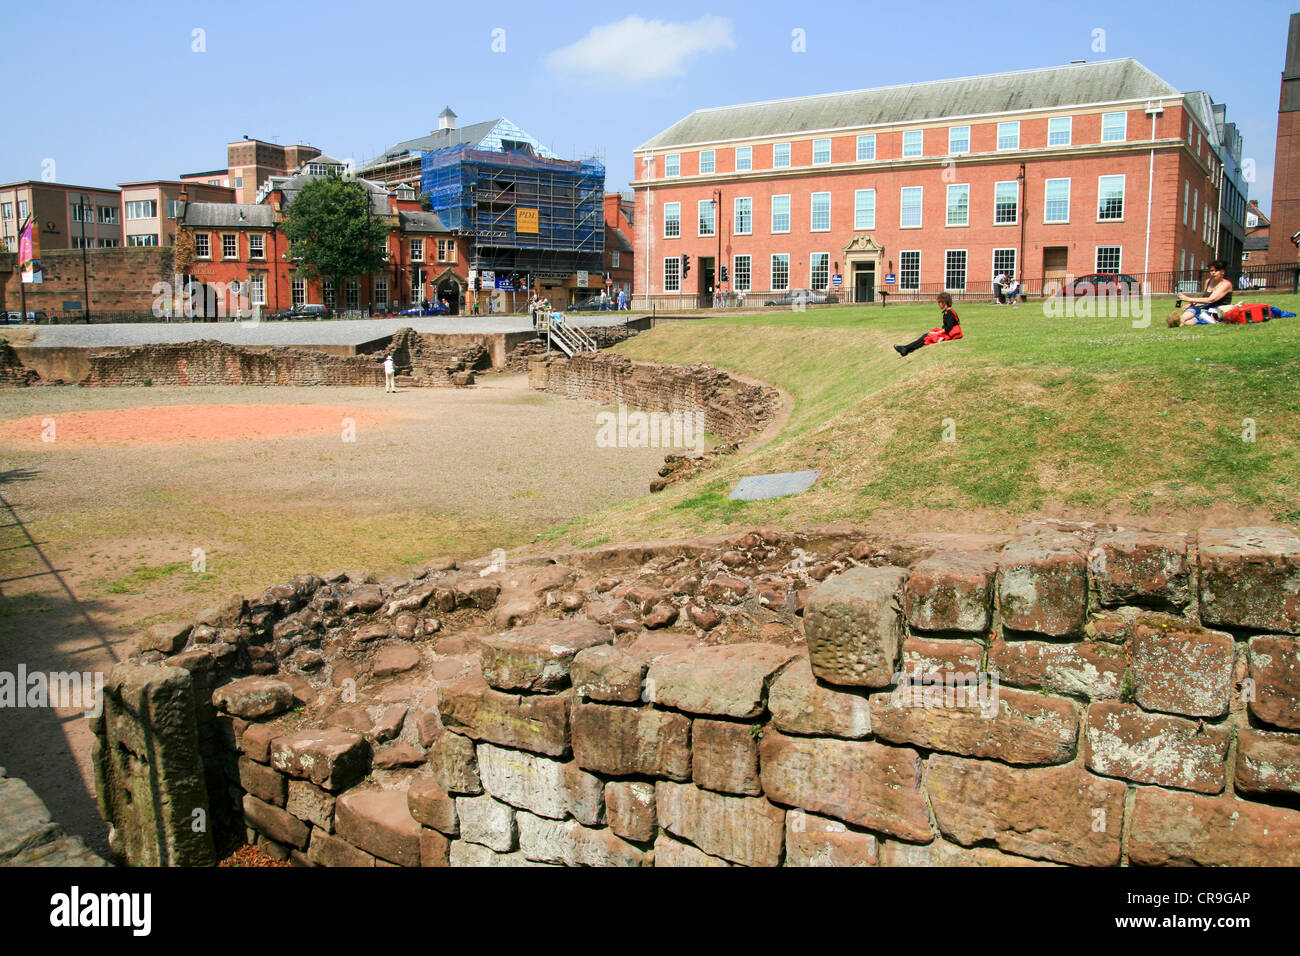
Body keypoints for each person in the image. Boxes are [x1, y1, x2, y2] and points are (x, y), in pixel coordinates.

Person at [894, 292, 963, 357]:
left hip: (950, 335)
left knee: (928, 337)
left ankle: (906, 349)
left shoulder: (950, 313)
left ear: (944, 302)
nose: (938, 304)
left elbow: (948, 328)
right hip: (947, 333)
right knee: (926, 335)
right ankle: (906, 349)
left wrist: (937, 333)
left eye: (939, 302)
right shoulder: (947, 312)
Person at [1173, 260, 1233, 326]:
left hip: (1217, 311)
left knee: (1201, 317)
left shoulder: (1226, 284)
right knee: (1192, 309)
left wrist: (1188, 299)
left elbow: (1211, 300)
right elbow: (1204, 299)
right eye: (1211, 271)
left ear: (1223, 272)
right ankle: (1181, 320)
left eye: (1216, 271)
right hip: (1206, 307)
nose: (1213, 273)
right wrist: (1192, 304)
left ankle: (1181, 323)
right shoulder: (1208, 282)